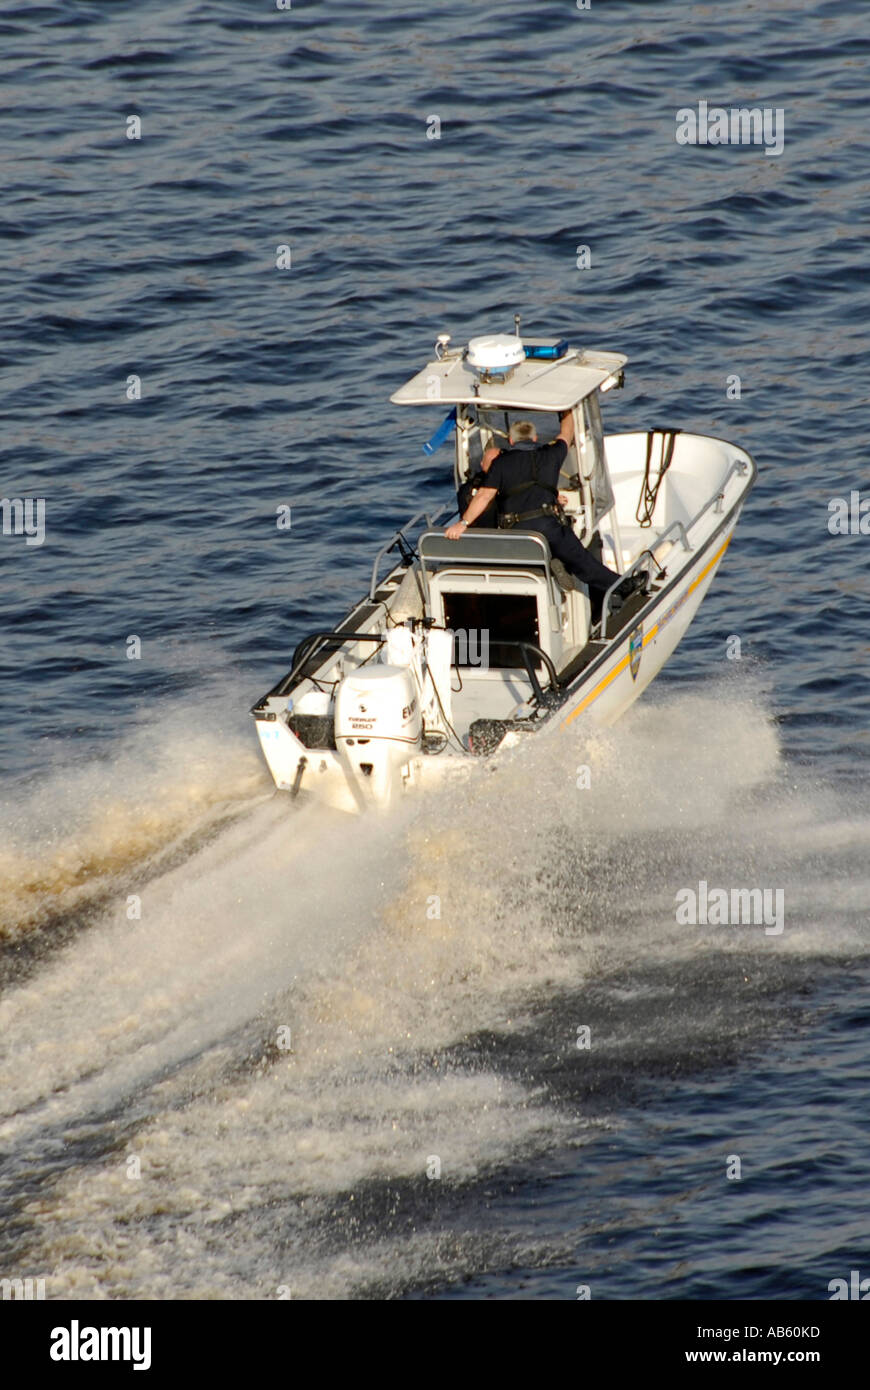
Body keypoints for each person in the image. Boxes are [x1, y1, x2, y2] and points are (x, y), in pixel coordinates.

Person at [445, 413, 646, 610]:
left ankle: (551, 563)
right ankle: (621, 587)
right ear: (534, 438)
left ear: (511, 440)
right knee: (581, 559)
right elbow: (566, 433)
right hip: (547, 527)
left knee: (544, 551)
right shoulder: (552, 455)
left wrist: (462, 524)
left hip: (516, 533)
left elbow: (484, 497)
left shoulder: (501, 464)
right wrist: (566, 412)